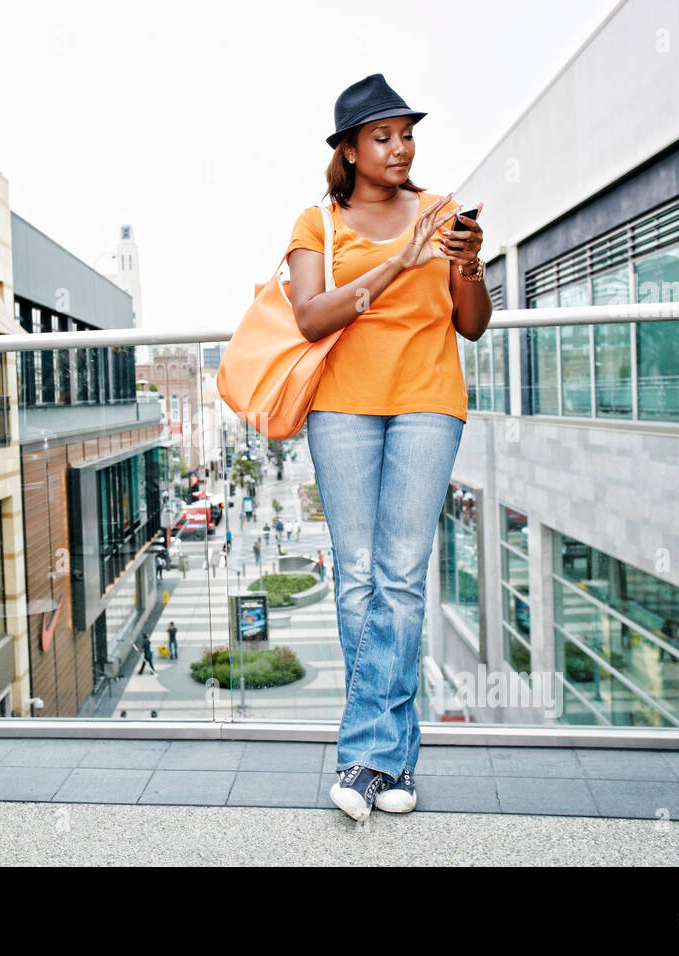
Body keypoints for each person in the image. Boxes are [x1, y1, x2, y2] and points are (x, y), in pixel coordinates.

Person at [284, 74, 489, 823]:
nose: (400, 147)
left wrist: (467, 262)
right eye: (382, 135)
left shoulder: (441, 212)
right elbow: (309, 317)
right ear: (349, 149)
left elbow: (472, 325)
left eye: (407, 133)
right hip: (342, 407)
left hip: (429, 403)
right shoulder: (319, 224)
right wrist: (399, 261)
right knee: (358, 578)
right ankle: (397, 765)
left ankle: (364, 759)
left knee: (401, 578)